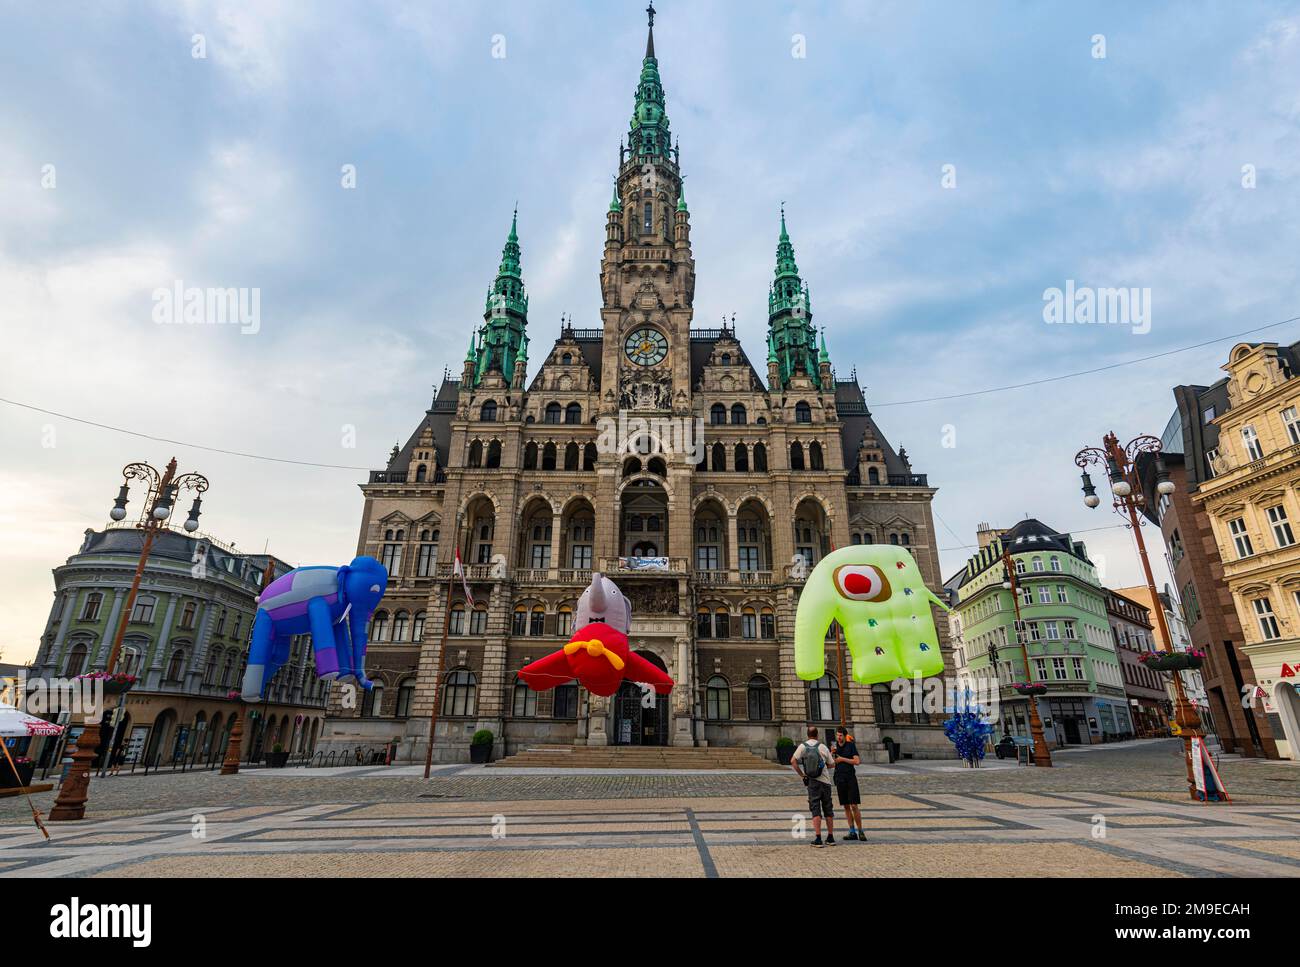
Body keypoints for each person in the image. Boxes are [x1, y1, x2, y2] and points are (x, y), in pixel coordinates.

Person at [791, 725, 836, 847]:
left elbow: (793, 761)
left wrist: (802, 775)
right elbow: (832, 764)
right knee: (828, 809)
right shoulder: (822, 747)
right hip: (825, 782)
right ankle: (830, 837)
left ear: (807, 735)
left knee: (815, 808)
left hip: (812, 782)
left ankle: (818, 838)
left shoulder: (803, 746)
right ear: (817, 735)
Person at [831, 725, 862, 840]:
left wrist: (842, 759)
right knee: (846, 806)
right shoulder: (834, 747)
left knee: (854, 805)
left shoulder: (850, 746)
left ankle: (860, 830)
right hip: (839, 778)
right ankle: (852, 830)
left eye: (840, 735)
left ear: (844, 736)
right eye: (837, 735)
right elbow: (832, 763)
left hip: (850, 778)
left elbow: (857, 761)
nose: (838, 738)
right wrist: (831, 754)